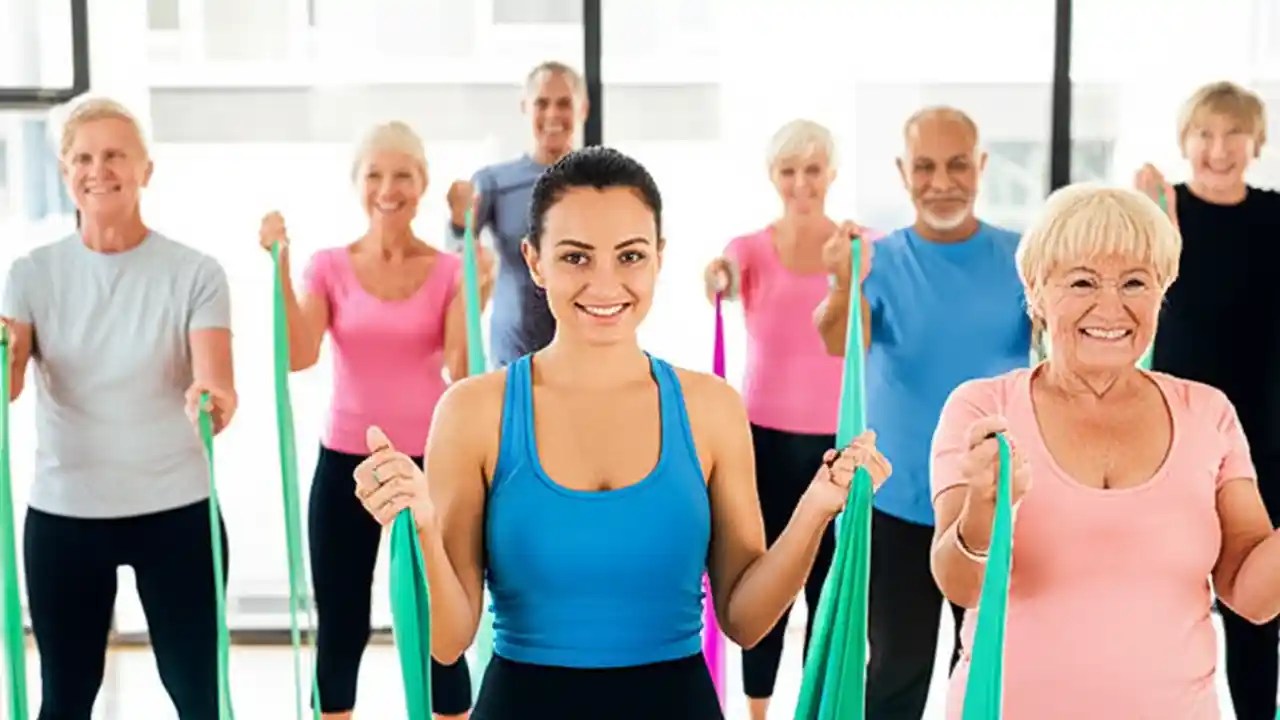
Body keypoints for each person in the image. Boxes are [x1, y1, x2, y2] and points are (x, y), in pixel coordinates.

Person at [350, 146, 893, 719]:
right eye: (576, 258)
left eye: (629, 256)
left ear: (658, 258)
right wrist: (421, 527)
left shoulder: (710, 408)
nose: (605, 283)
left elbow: (746, 619)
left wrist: (816, 509)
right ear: (534, 261)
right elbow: (447, 639)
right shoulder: (472, 412)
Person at [930, 182, 1280, 718]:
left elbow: (1253, 598)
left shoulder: (1209, 413)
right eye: (1082, 282)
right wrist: (984, 507)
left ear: (1162, 291)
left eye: (1136, 282)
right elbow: (961, 586)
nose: (1111, 307)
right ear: (1036, 290)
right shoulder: (983, 410)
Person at [1, 96, 237, 718]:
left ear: (145, 170)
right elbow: (12, 385)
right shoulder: (31, 273)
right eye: (82, 157)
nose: (97, 170)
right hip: (66, 513)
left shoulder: (195, 272)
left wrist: (208, 400)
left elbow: (219, 386)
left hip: (176, 510)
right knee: (68, 697)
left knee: (198, 696)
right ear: (63, 171)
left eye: (114, 156)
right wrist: (7, 351)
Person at [259, 121, 493, 720]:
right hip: (346, 464)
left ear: (423, 186)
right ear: (357, 184)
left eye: (403, 176)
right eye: (375, 175)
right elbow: (300, 353)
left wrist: (475, 283)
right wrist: (280, 267)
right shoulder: (330, 266)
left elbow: (463, 367)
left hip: (427, 466)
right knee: (343, 621)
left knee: (441, 619)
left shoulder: (446, 270)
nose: (389, 188)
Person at [812, 106, 1031, 719]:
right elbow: (836, 339)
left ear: (981, 167)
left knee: (994, 672)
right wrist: (839, 282)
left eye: (958, 164)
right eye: (927, 167)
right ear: (903, 172)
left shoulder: (1020, 258)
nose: (942, 182)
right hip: (896, 503)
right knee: (894, 676)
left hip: (989, 506)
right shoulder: (876, 260)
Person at [703, 119, 872, 720]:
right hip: (763, 443)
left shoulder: (858, 247)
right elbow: (718, 281)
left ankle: (819, 707)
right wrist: (714, 280)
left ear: (832, 173)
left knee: (829, 586)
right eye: (789, 171)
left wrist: (848, 271)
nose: (802, 184)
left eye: (813, 170)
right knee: (765, 582)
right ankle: (757, 712)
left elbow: (872, 334)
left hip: (837, 444)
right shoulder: (747, 249)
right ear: (773, 177)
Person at [1133, 80, 1280, 720]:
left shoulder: (1277, 215)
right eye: (1204, 134)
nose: (1218, 149)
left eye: (1232, 134)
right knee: (1172, 581)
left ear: (1257, 142)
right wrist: (1145, 210)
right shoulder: (1165, 213)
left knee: (1257, 596)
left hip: (1269, 426)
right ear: (1184, 142)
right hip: (1185, 426)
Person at [443, 60, 590, 368]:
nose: (552, 114)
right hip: (513, 354)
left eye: (564, 103)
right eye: (542, 103)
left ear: (583, 109)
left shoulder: (601, 182)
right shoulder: (494, 182)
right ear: (525, 107)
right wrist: (459, 221)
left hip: (585, 351)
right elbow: (458, 257)